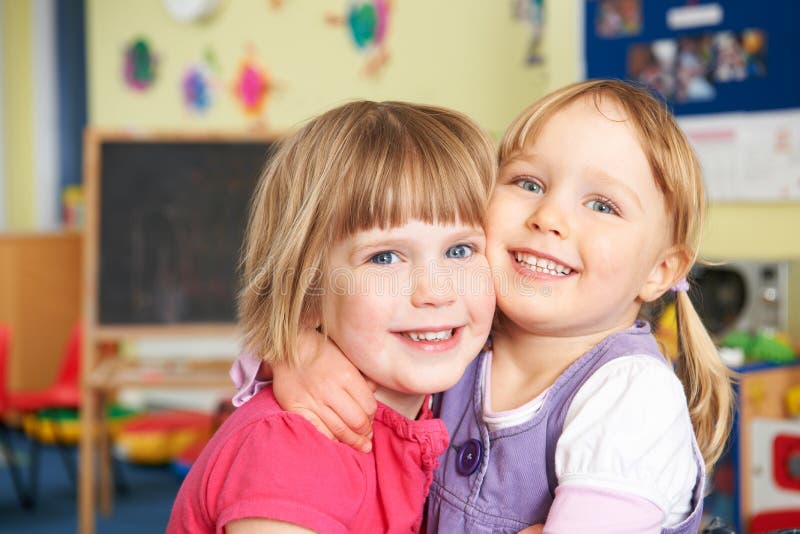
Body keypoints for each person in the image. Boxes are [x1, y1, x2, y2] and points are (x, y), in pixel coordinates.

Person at [234, 80, 735, 533]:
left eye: (602, 205)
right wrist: (300, 351)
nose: (550, 216)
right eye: (528, 183)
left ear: (661, 271)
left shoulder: (633, 396)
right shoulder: (456, 334)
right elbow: (340, 329)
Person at [167, 100, 498, 533]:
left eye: (460, 250)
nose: (436, 292)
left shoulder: (442, 385)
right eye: (384, 257)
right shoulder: (291, 451)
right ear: (309, 292)